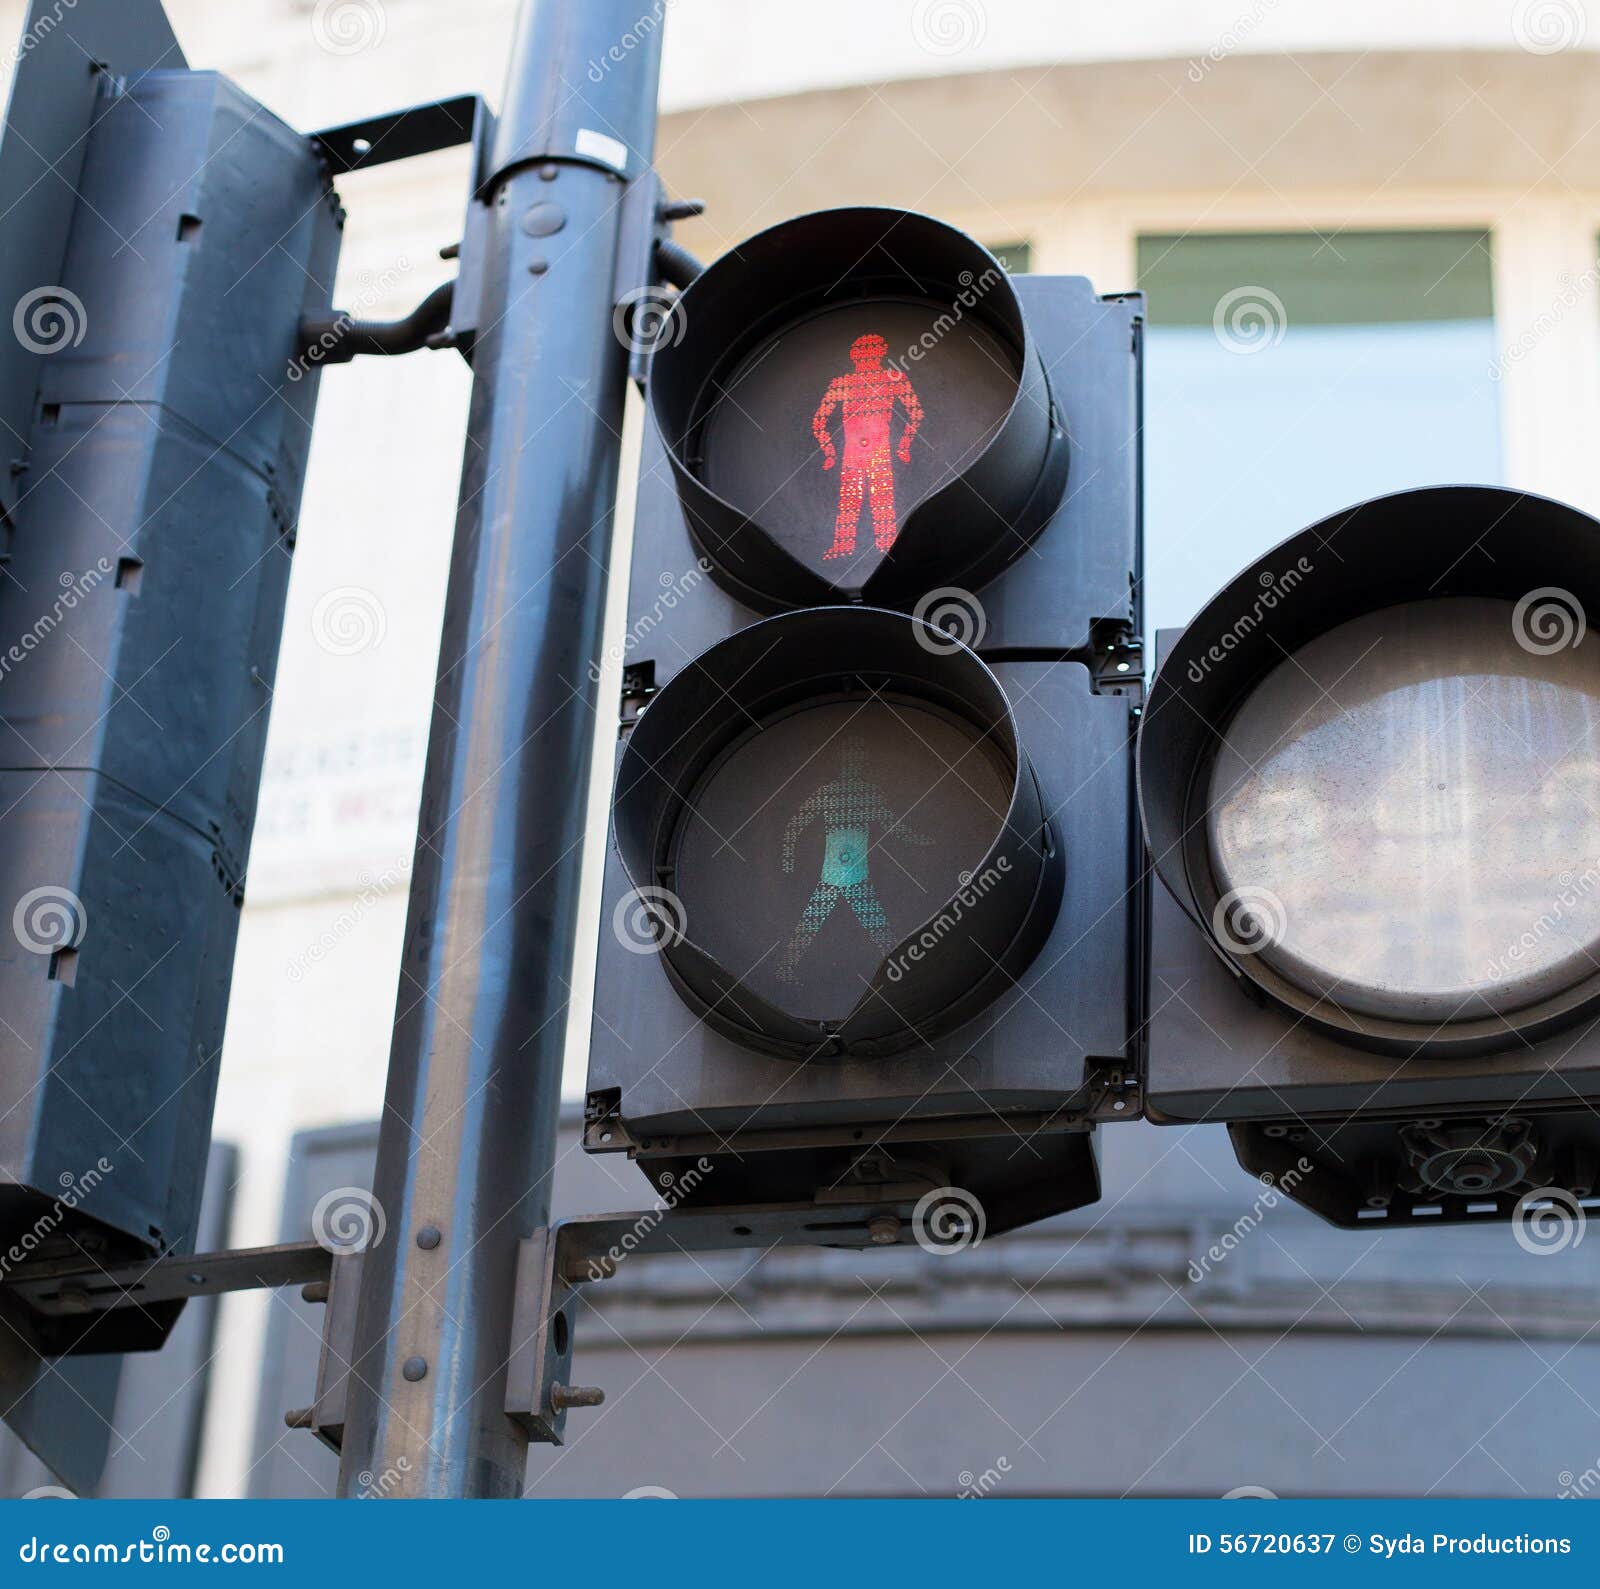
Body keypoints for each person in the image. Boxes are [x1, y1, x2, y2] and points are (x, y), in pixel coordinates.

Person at [776, 733, 934, 984]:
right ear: (843, 762)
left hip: (856, 874)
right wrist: (787, 858)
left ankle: (903, 972)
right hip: (833, 873)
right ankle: (785, 968)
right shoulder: (828, 793)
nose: (853, 764)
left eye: (856, 759)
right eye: (849, 759)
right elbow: (795, 824)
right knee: (812, 923)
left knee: (877, 927)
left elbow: (893, 826)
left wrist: (920, 840)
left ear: (861, 762)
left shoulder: (868, 793)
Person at [810, 332, 925, 560]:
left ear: (880, 353)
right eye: (862, 354)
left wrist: (904, 445)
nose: (866, 359)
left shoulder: (894, 379)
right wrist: (829, 453)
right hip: (852, 452)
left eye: (871, 353)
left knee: (882, 501)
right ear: (854, 356)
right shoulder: (841, 384)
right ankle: (844, 547)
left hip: (879, 451)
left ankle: (887, 547)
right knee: (850, 501)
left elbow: (916, 413)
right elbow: (818, 421)